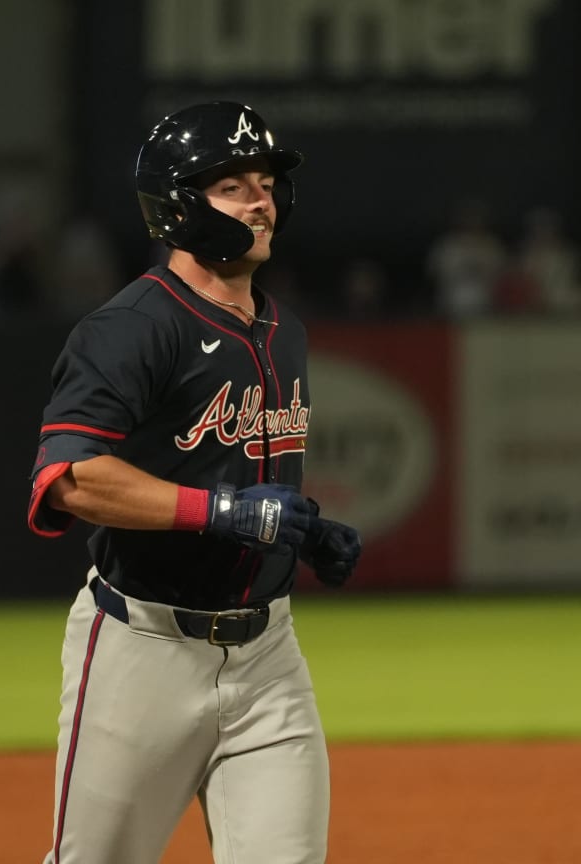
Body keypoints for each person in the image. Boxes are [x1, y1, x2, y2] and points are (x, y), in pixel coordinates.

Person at [25, 101, 363, 864]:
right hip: (143, 652)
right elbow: (70, 478)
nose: (260, 199)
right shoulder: (132, 327)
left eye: (266, 181)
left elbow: (248, 492)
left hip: (269, 655)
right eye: (232, 185)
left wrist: (302, 532)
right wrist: (220, 513)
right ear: (180, 206)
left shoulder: (284, 329)